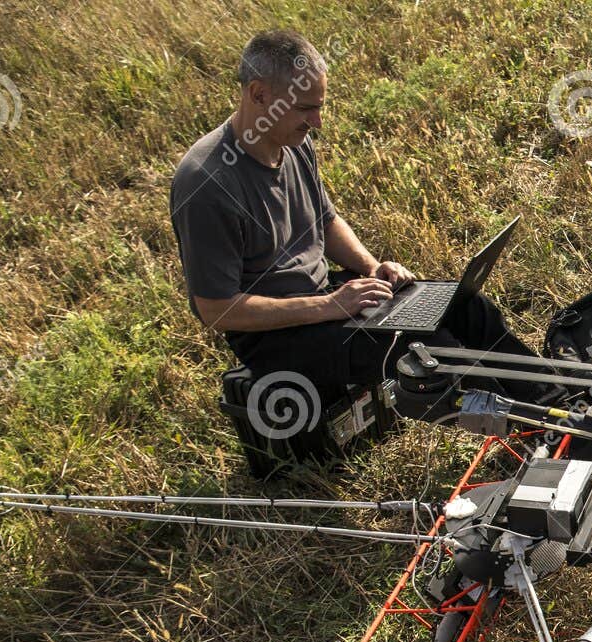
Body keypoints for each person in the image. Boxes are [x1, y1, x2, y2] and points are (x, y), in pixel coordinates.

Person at [169, 29, 545, 416]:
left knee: (466, 307)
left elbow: (326, 222)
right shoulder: (207, 183)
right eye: (304, 109)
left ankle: (555, 401)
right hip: (274, 339)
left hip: (327, 299)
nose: (316, 122)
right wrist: (329, 306)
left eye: (320, 107)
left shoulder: (292, 142)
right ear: (259, 94)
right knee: (428, 348)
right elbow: (218, 311)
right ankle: (530, 431)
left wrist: (371, 269)